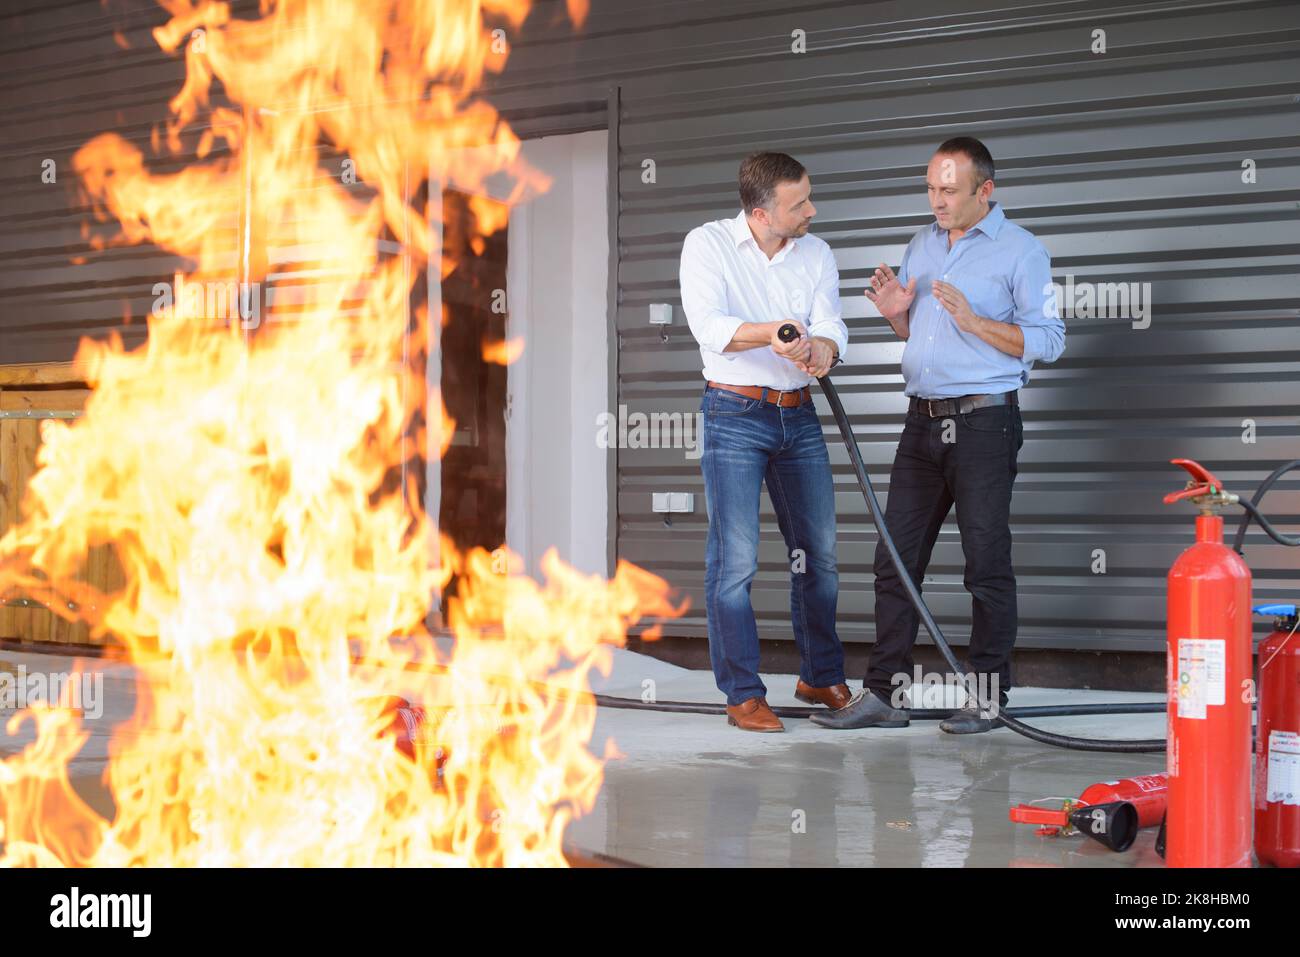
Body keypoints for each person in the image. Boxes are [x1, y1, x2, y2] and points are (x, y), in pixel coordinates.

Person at [813, 137, 1065, 734]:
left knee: (985, 564)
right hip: (921, 422)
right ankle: (883, 695)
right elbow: (919, 337)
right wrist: (899, 313)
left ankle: (988, 697)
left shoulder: (1021, 252)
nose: (936, 201)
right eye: (930, 188)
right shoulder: (922, 244)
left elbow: (1051, 341)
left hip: (984, 423)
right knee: (894, 562)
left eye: (948, 190)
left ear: (986, 190)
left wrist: (977, 322)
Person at [679, 151, 850, 732]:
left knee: (820, 556)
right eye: (799, 203)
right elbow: (711, 328)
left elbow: (831, 322)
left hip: (797, 418)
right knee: (736, 561)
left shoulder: (817, 252)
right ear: (759, 213)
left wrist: (823, 347)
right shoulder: (707, 245)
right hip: (733, 414)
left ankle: (819, 674)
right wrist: (774, 334)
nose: (812, 209)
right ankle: (743, 693)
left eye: (809, 196)